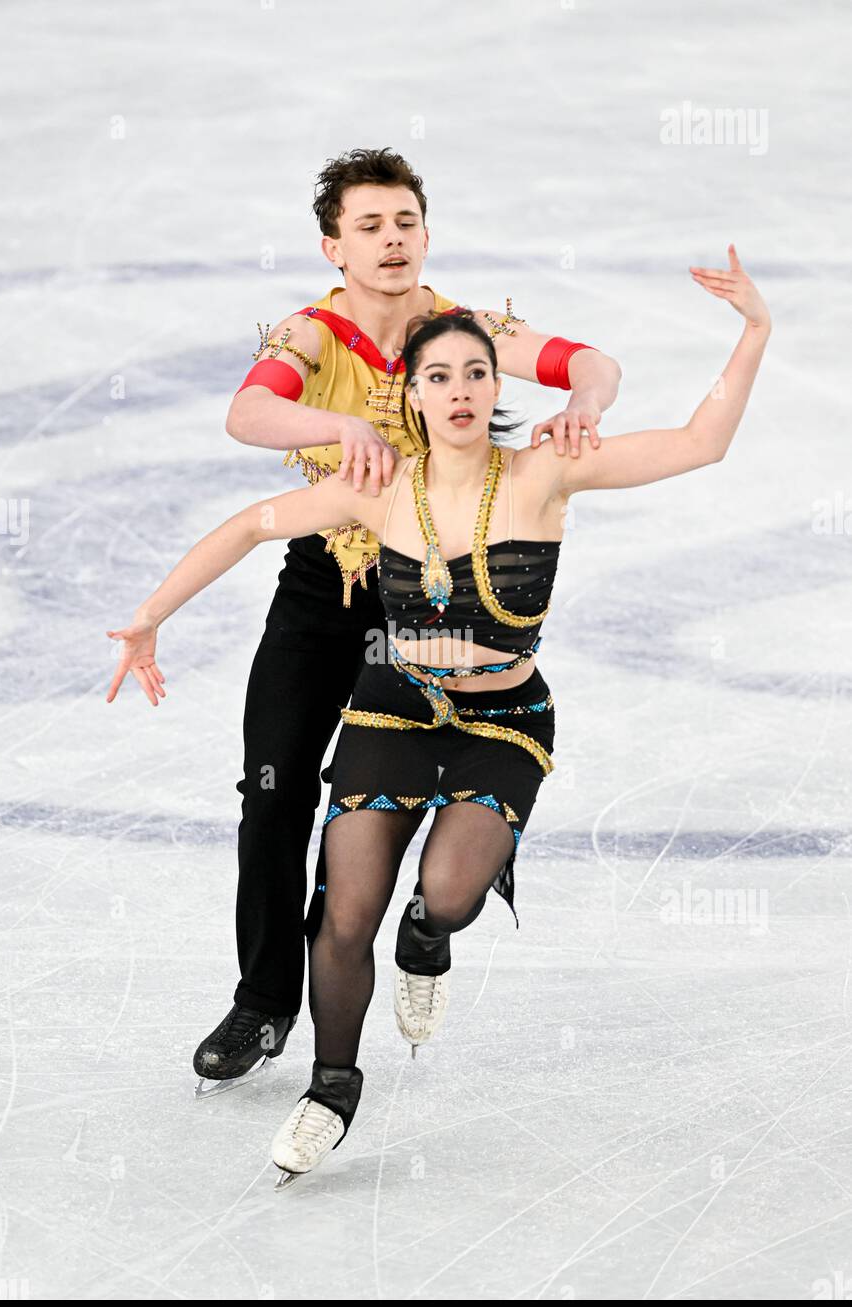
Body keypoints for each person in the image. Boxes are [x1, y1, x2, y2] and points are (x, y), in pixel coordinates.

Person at [105, 245, 771, 1185]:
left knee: (446, 897)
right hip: (395, 708)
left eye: (475, 373)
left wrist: (754, 330)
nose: (459, 389)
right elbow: (255, 521)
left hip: (503, 719)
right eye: (437, 376)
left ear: (495, 385)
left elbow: (702, 442)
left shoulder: (544, 473)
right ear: (411, 395)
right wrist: (149, 617)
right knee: (343, 915)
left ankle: (428, 938)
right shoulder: (380, 491)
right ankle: (331, 1090)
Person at [107, 146, 622, 1097]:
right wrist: (333, 428)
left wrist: (586, 400)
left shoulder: (457, 331)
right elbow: (247, 414)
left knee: (392, 796)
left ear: (426, 233)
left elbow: (587, 360)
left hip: (420, 595)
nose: (391, 242)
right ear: (332, 246)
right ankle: (265, 999)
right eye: (369, 227)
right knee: (273, 788)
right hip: (325, 586)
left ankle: (433, 915)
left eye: (405, 224)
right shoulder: (313, 333)